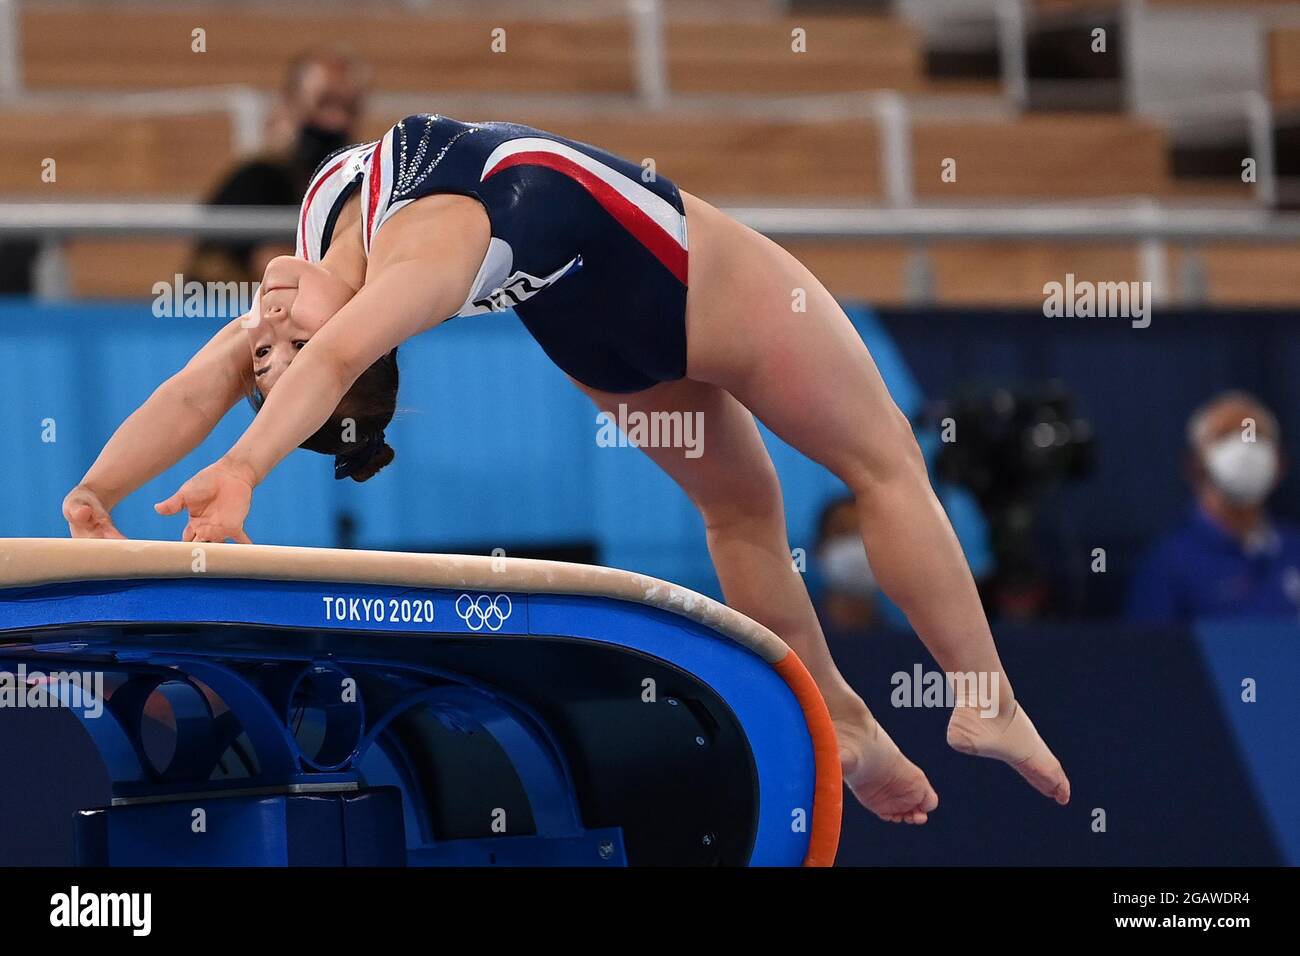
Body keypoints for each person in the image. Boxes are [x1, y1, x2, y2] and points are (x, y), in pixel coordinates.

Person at [63, 113, 1070, 824]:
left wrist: (134, 481)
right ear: (365, 348)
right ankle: (960, 698)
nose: (269, 327)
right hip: (688, 281)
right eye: (273, 354)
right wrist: (186, 478)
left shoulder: (324, 238)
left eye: (266, 346)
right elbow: (299, 368)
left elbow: (211, 384)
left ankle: (872, 716)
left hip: (605, 318)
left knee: (751, 512)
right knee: (880, 461)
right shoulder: (410, 265)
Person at [188, 48, 368, 285]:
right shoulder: (256, 179)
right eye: (325, 103)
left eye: (349, 108)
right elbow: (282, 274)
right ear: (291, 102)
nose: (337, 120)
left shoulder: (360, 186)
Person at [1128, 391, 1300, 624]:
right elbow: (1148, 655)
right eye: (1225, 435)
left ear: (1279, 463)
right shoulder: (1167, 564)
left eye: (1256, 435)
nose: (1244, 448)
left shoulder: (1294, 549)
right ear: (1194, 463)